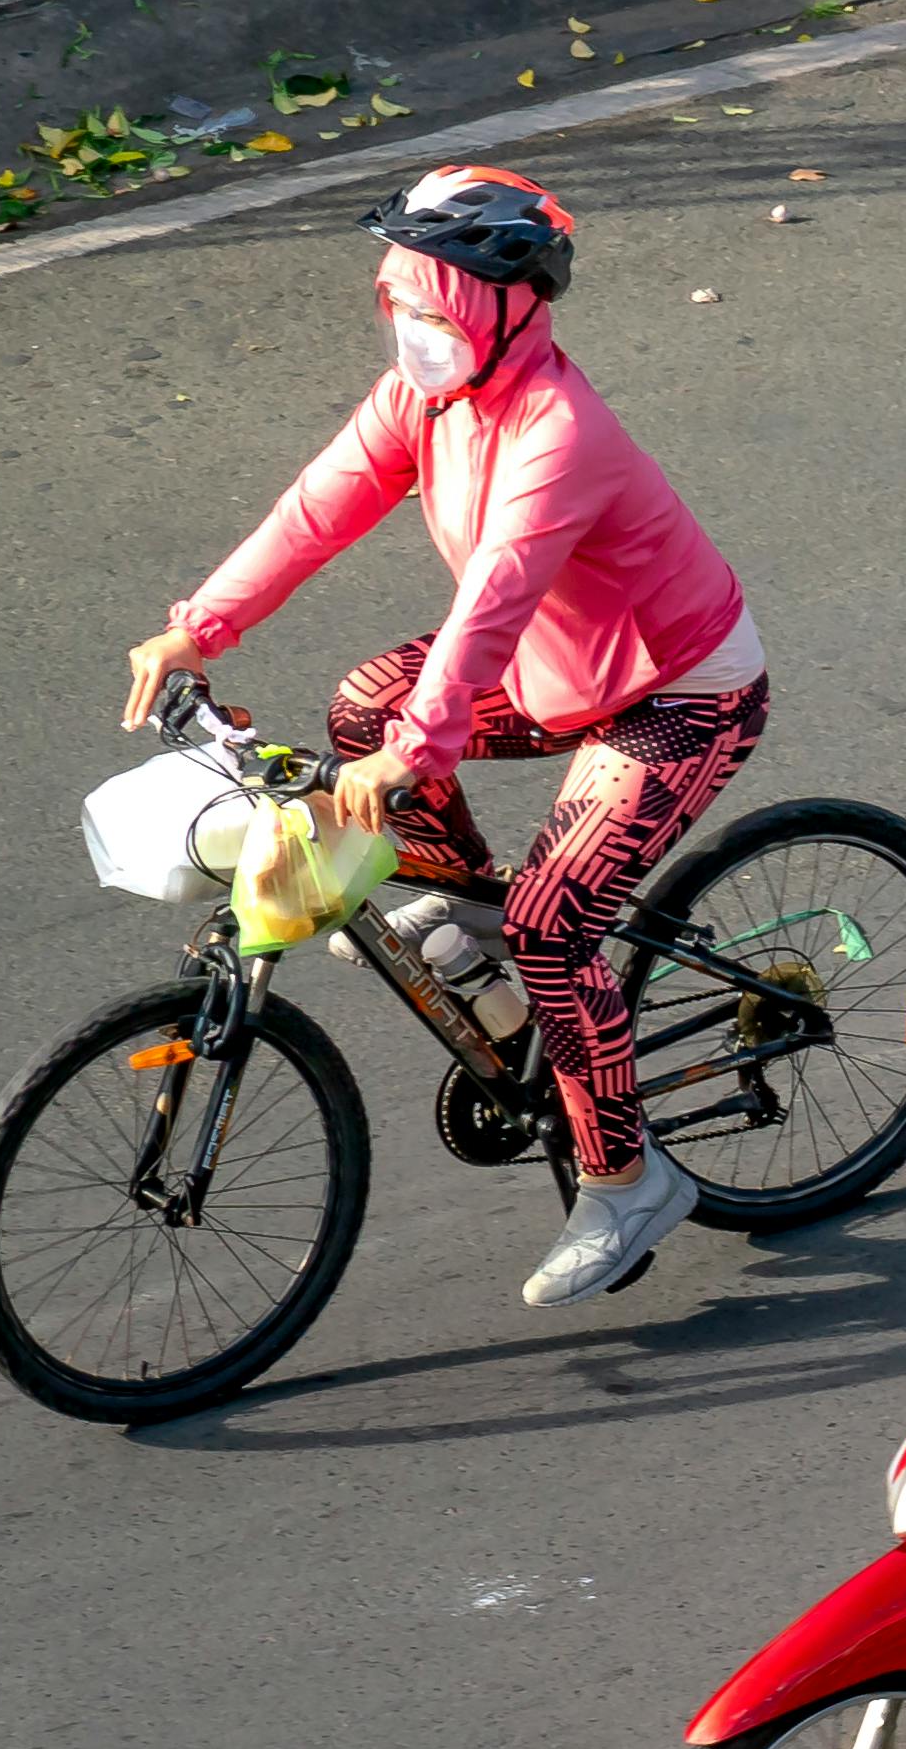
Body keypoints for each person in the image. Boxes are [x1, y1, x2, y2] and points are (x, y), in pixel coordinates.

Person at [124, 163, 769, 1310]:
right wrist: (196, 629)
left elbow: (492, 603)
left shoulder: (558, 434)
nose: (416, 329)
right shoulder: (430, 401)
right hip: (551, 672)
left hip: (676, 692)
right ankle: (471, 901)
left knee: (556, 927)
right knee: (366, 702)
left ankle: (627, 1182)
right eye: (404, 304)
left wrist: (413, 756)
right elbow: (320, 505)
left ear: (504, 308)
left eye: (439, 308)